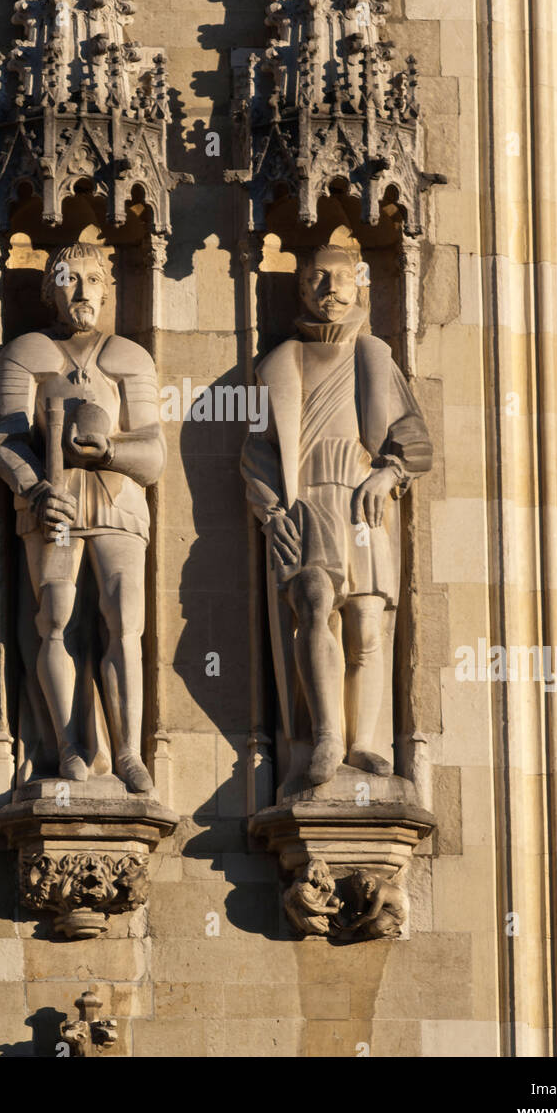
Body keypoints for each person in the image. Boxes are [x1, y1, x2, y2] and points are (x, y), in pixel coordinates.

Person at [241, 244, 432, 788]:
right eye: (316, 278)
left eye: (341, 278)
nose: (329, 289)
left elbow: (413, 437)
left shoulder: (372, 356)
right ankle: (326, 734)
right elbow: (257, 449)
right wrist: (272, 510)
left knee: (367, 626)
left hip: (361, 498)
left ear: (359, 286)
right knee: (314, 603)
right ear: (302, 289)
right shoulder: (278, 364)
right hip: (307, 502)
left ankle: (365, 741)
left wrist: (388, 473)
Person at [0, 242, 165, 793]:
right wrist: (35, 488)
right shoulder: (25, 353)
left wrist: (107, 451)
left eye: (92, 279)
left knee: (124, 618)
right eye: (68, 279)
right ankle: (67, 749)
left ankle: (130, 752)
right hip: (52, 503)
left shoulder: (130, 357)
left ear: (107, 288)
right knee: (56, 618)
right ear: (49, 291)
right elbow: (0, 439)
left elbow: (154, 455)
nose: (82, 291)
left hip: (117, 502)